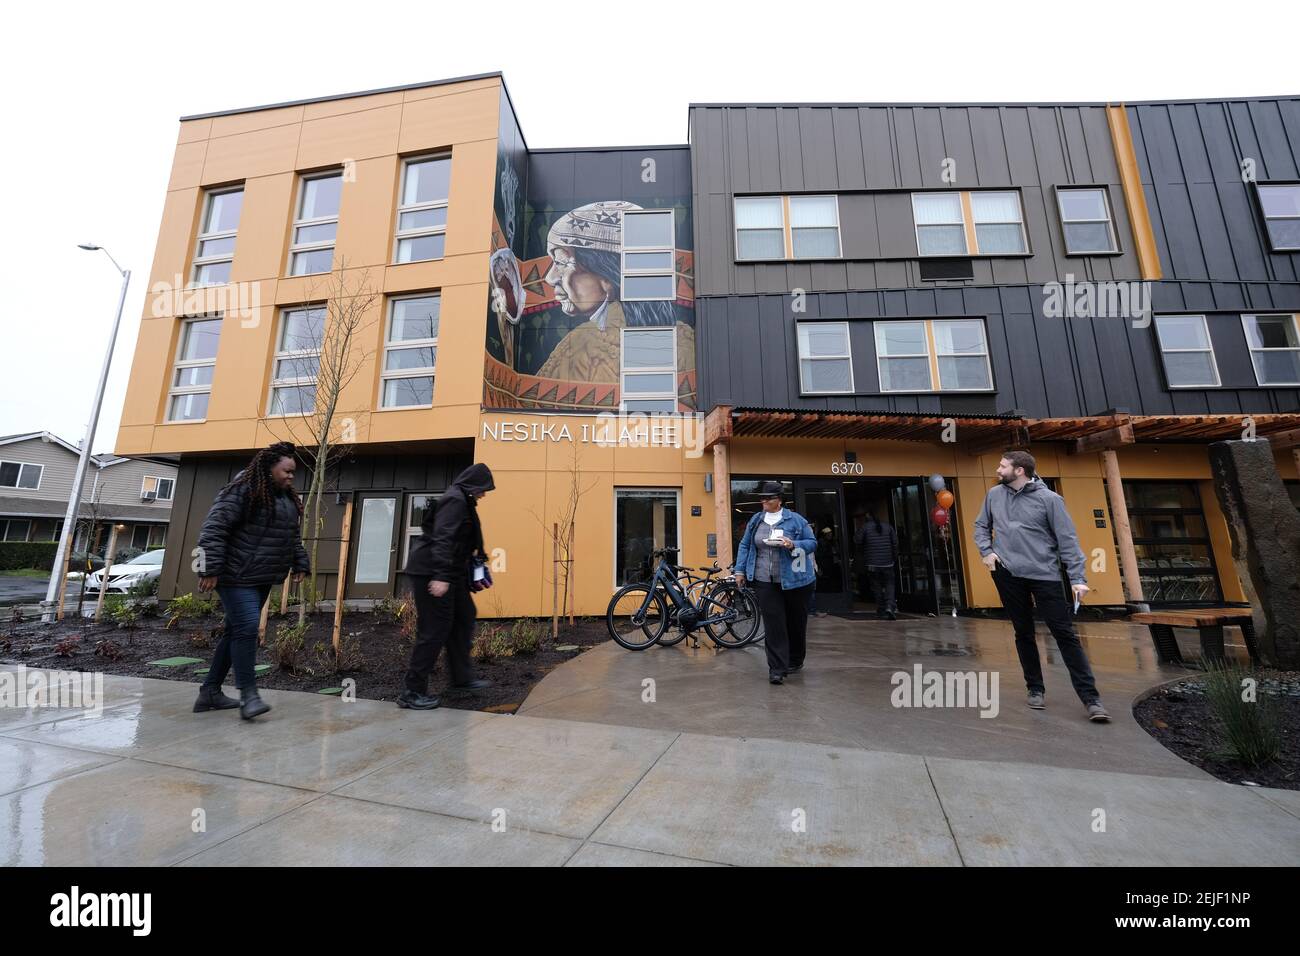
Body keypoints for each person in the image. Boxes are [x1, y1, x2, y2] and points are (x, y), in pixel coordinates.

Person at [974, 450, 1111, 722]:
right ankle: (1035, 688)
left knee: (1064, 634)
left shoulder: (1050, 500)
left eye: (1003, 466)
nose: (998, 470)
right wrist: (987, 552)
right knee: (1022, 632)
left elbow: (1068, 541)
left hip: (1044, 575)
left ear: (1020, 471)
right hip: (1008, 574)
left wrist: (1078, 578)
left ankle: (1091, 699)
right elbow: (981, 526)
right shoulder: (994, 495)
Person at [194, 441, 309, 720]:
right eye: (287, 471)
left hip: (262, 575)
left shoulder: (286, 499)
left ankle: (210, 692)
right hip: (235, 574)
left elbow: (290, 536)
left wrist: (300, 562)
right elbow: (214, 527)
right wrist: (207, 568)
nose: (291, 476)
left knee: (235, 631)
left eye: (293, 472)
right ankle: (249, 696)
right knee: (247, 628)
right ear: (268, 468)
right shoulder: (241, 490)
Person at [397, 463, 497, 710]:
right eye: (483, 489)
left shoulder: (463, 499)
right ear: (473, 485)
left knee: (464, 616)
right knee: (434, 629)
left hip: (450, 573)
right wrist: (440, 575)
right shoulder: (455, 500)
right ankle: (412, 691)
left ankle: (461, 679)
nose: (484, 494)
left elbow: (460, 542)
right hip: (431, 572)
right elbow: (443, 537)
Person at [734, 481, 817, 684]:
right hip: (765, 581)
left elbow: (812, 543)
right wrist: (740, 570)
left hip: (796, 581)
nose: (763, 501)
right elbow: (745, 545)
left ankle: (795, 659)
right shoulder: (756, 520)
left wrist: (792, 544)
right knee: (774, 624)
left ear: (779, 500)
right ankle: (777, 669)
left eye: (767, 498)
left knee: (795, 623)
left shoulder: (796, 521)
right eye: (761, 498)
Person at [855, 510, 899, 620]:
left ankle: (881, 608)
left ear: (867, 517)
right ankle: (889, 606)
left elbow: (857, 540)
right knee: (890, 585)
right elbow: (895, 543)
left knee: (876, 587)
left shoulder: (865, 527)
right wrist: (894, 558)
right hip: (888, 563)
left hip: (872, 563)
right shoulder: (888, 527)